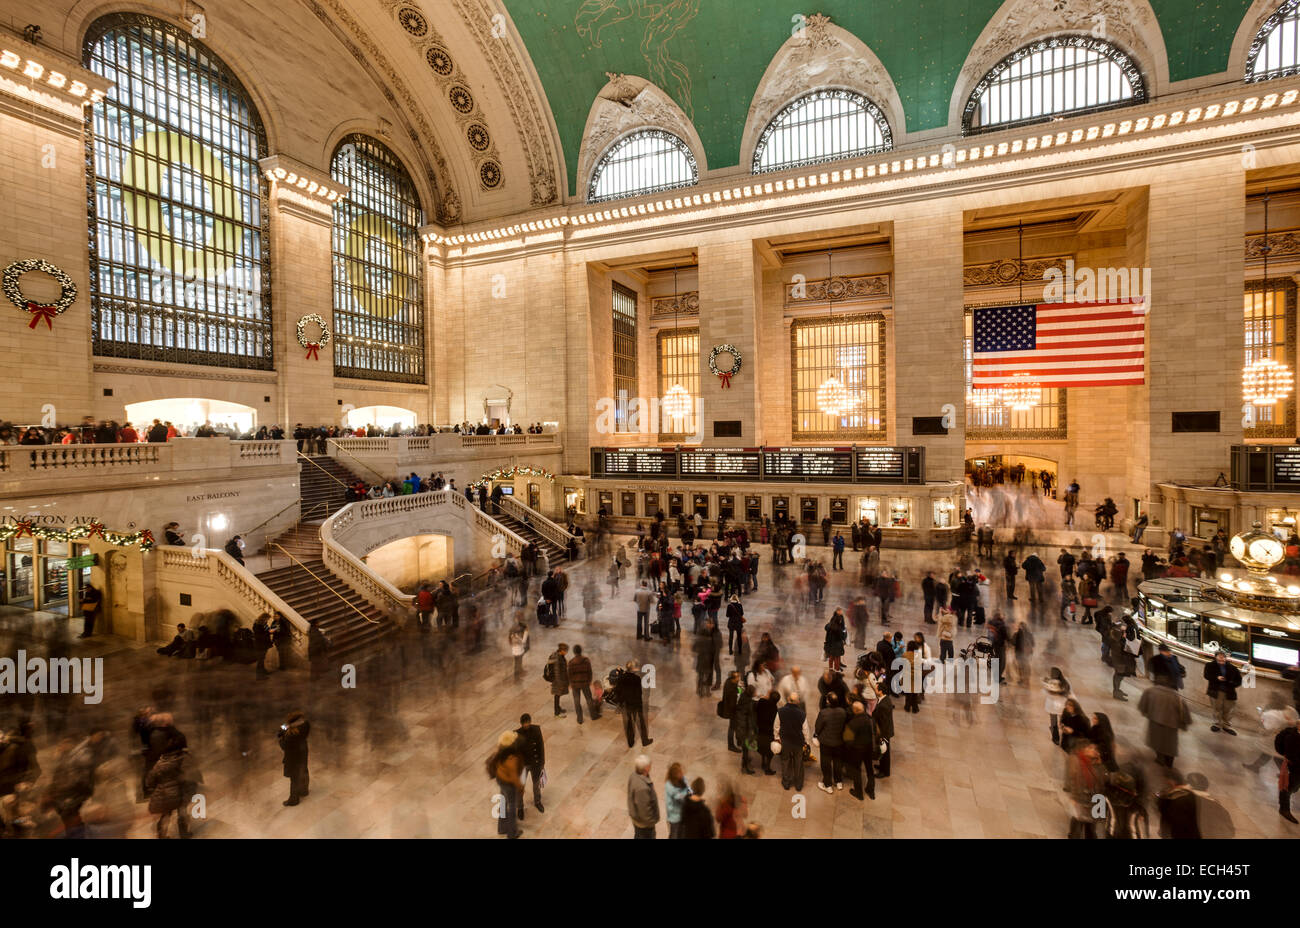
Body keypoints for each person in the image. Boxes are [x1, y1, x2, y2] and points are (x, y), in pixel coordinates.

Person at [1138, 678, 1192, 767]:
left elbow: (1142, 706)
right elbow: (1185, 715)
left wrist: (1147, 712)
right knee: (1170, 746)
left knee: (1157, 742)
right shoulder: (1177, 697)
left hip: (1155, 721)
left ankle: (1160, 759)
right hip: (1171, 725)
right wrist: (1185, 723)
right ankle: (1169, 762)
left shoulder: (1150, 691)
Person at [487, 732, 522, 839]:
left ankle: (502, 828)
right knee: (512, 807)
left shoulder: (499, 754)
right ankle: (512, 833)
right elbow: (514, 776)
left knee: (503, 803)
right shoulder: (511, 759)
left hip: (500, 780)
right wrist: (520, 787)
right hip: (509, 785)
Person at [814, 691, 847, 793]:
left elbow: (818, 727)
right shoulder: (843, 712)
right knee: (838, 762)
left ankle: (827, 784)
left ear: (828, 702)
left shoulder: (823, 713)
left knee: (826, 763)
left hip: (826, 742)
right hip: (839, 742)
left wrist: (816, 735)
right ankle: (838, 781)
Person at [1203, 651, 1242, 735]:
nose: (1221, 660)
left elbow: (1239, 681)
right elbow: (1206, 675)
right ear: (1215, 657)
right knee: (1217, 709)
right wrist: (1216, 678)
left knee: (1228, 710)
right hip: (1216, 691)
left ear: (1225, 658)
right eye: (1219, 658)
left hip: (1229, 692)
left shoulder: (1233, 668)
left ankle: (1226, 726)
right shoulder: (1210, 665)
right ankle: (1216, 725)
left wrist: (1231, 683)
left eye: (1223, 658)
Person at [776, 692, 808, 791]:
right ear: (797, 701)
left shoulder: (780, 711)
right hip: (798, 742)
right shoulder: (802, 714)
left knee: (785, 761)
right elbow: (805, 730)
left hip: (785, 741)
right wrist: (806, 742)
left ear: (788, 699)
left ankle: (786, 783)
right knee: (798, 762)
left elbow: (776, 726)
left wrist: (777, 738)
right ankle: (798, 784)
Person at [1156, 768, 1201, 839]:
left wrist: (1161, 801)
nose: (1164, 782)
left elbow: (1175, 821)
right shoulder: (1189, 793)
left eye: (1165, 780)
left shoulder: (1177, 799)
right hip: (1190, 833)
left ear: (1171, 781)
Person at [515, 714, 546, 815]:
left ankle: (537, 802)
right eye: (525, 723)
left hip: (535, 763)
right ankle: (520, 807)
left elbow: (541, 746)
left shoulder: (536, 730)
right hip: (523, 765)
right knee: (520, 787)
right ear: (521, 724)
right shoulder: (517, 734)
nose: (527, 725)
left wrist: (542, 763)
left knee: (536, 785)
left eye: (528, 722)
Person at [278, 710, 310, 807]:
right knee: (303, 770)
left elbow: (283, 745)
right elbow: (283, 727)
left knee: (294, 777)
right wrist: (286, 727)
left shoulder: (290, 735)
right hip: (303, 751)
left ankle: (293, 799)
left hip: (293, 756)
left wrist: (281, 738)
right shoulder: (306, 724)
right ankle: (304, 790)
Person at [617, 661, 653, 748]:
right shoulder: (636, 678)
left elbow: (619, 691)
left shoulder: (621, 678)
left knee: (629, 723)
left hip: (627, 704)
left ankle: (631, 743)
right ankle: (645, 741)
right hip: (636, 704)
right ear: (633, 669)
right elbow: (639, 693)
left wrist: (621, 703)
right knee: (641, 722)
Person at [568, 644, 602, 724]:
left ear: (574, 652)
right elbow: (590, 672)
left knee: (577, 701)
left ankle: (579, 719)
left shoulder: (571, 662)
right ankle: (593, 715)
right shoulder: (586, 660)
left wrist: (571, 684)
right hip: (585, 683)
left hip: (575, 685)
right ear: (581, 651)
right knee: (589, 699)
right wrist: (589, 681)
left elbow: (569, 675)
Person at [627, 755, 659, 838]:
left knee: (638, 835)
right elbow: (644, 810)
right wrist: (651, 821)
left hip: (637, 820)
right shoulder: (642, 788)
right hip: (644, 825)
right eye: (649, 765)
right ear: (646, 768)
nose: (651, 766)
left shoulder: (633, 775)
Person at [1277, 717, 1300, 824]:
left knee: (1294, 787)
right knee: (1289, 787)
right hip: (1295, 766)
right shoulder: (1292, 737)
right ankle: (1284, 809)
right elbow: (1291, 755)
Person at [1043, 667, 1071, 745]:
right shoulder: (1066, 682)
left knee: (1054, 722)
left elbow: (1046, 693)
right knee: (1063, 722)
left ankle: (1056, 739)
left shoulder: (1050, 683)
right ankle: (1065, 738)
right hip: (1062, 705)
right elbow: (1069, 693)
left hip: (1052, 706)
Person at [665, 762, 691, 838]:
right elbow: (679, 797)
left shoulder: (682, 780)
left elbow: (689, 790)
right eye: (681, 772)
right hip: (674, 817)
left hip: (681, 815)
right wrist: (687, 794)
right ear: (676, 775)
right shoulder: (670, 786)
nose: (683, 773)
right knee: (674, 835)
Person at [545, 643, 569, 718]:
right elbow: (557, 672)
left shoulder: (560, 656)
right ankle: (556, 713)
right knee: (557, 695)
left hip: (558, 680)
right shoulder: (557, 659)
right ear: (561, 650)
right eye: (566, 651)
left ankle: (558, 708)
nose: (566, 652)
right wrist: (560, 683)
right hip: (557, 680)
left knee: (558, 695)